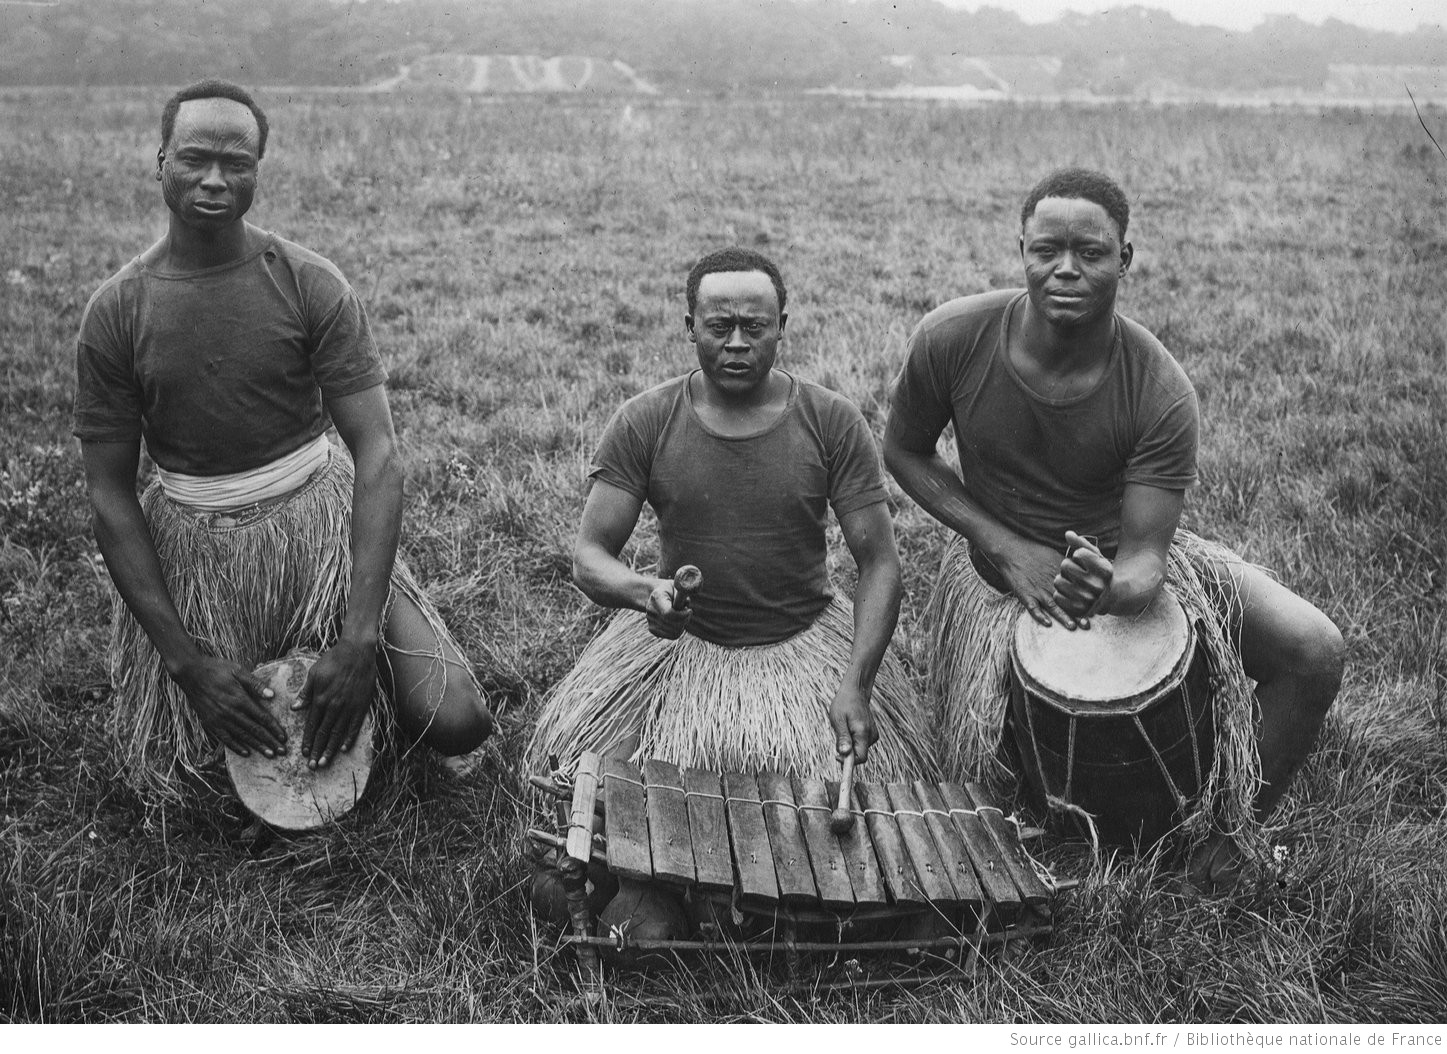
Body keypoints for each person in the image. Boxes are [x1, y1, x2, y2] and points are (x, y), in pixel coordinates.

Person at [883, 168, 1344, 888]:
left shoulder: (1157, 390)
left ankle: (1223, 839)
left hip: (1116, 557)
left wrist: (1107, 590)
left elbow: (1143, 565)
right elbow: (903, 450)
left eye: (1090, 252)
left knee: (1313, 649)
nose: (1065, 268)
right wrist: (1005, 548)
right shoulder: (951, 337)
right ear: (1022, 250)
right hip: (994, 563)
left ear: (1125, 257)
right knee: (988, 788)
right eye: (1047, 250)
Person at [73, 79, 494, 803]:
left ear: (258, 170)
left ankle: (372, 678)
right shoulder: (117, 311)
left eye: (237, 163)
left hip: (317, 521)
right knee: (193, 781)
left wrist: (359, 638)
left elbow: (380, 455)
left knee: (456, 720)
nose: (214, 179)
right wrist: (186, 664)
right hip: (195, 545)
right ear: (160, 162)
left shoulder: (308, 282)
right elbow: (109, 494)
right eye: (194, 158)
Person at [527, 246, 935, 782]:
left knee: (842, 810)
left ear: (782, 327)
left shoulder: (833, 420)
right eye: (719, 327)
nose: (737, 344)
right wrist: (644, 592)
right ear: (689, 327)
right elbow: (588, 556)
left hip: (804, 640)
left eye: (755, 327)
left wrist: (856, 682)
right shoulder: (644, 420)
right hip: (680, 649)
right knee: (595, 788)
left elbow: (881, 564)